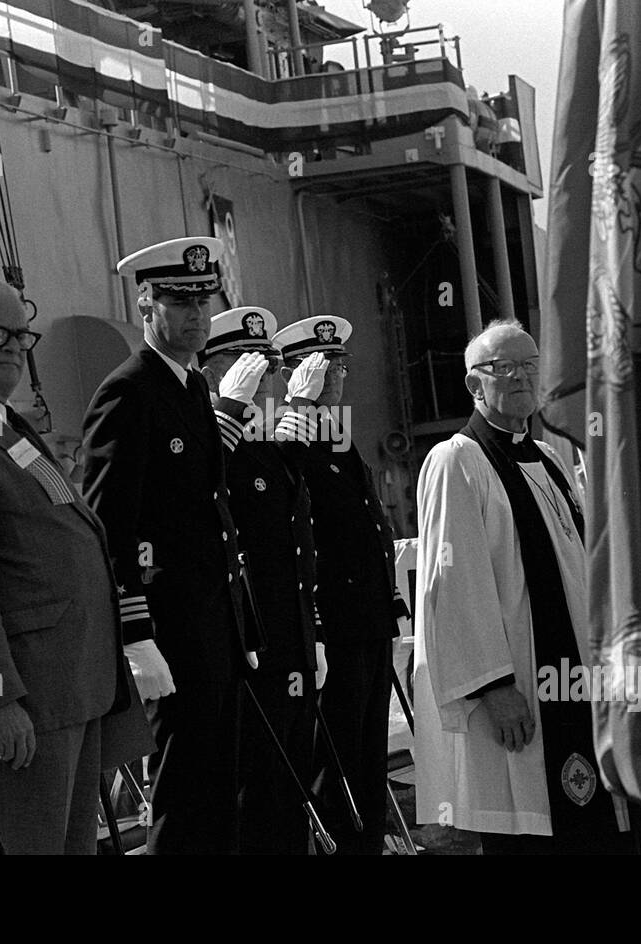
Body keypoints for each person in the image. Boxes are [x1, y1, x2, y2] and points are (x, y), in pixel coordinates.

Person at [0, 277, 152, 854]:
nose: (12, 346)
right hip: (33, 697)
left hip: (76, 683)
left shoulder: (6, 427)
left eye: (19, 334)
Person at [412, 318, 640, 854]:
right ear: (474, 384)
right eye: (504, 368)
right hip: (521, 692)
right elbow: (453, 584)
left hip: (578, 680)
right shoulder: (457, 460)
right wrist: (493, 685)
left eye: (530, 366)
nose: (521, 378)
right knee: (535, 830)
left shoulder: (550, 458)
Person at [78, 237, 266, 854]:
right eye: (178, 301)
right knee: (184, 794)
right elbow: (111, 524)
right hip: (172, 630)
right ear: (145, 305)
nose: (195, 315)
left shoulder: (188, 388)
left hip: (215, 624)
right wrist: (135, 633)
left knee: (223, 789)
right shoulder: (128, 393)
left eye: (201, 301)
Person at [274, 314, 409, 855]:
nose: (336, 376)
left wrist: (389, 599)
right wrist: (297, 410)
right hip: (334, 624)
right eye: (324, 365)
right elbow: (288, 504)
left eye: (341, 365)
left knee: (369, 757)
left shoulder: (337, 437)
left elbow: (370, 521)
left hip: (369, 619)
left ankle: (367, 847)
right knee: (339, 763)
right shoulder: (287, 431)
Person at [198, 306, 326, 855]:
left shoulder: (255, 443)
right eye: (241, 361)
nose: (256, 375)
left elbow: (292, 518)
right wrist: (226, 407)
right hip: (252, 647)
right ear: (210, 368)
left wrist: (310, 629)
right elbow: (197, 491)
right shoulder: (208, 439)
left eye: (262, 364)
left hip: (287, 639)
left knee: (291, 789)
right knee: (258, 790)